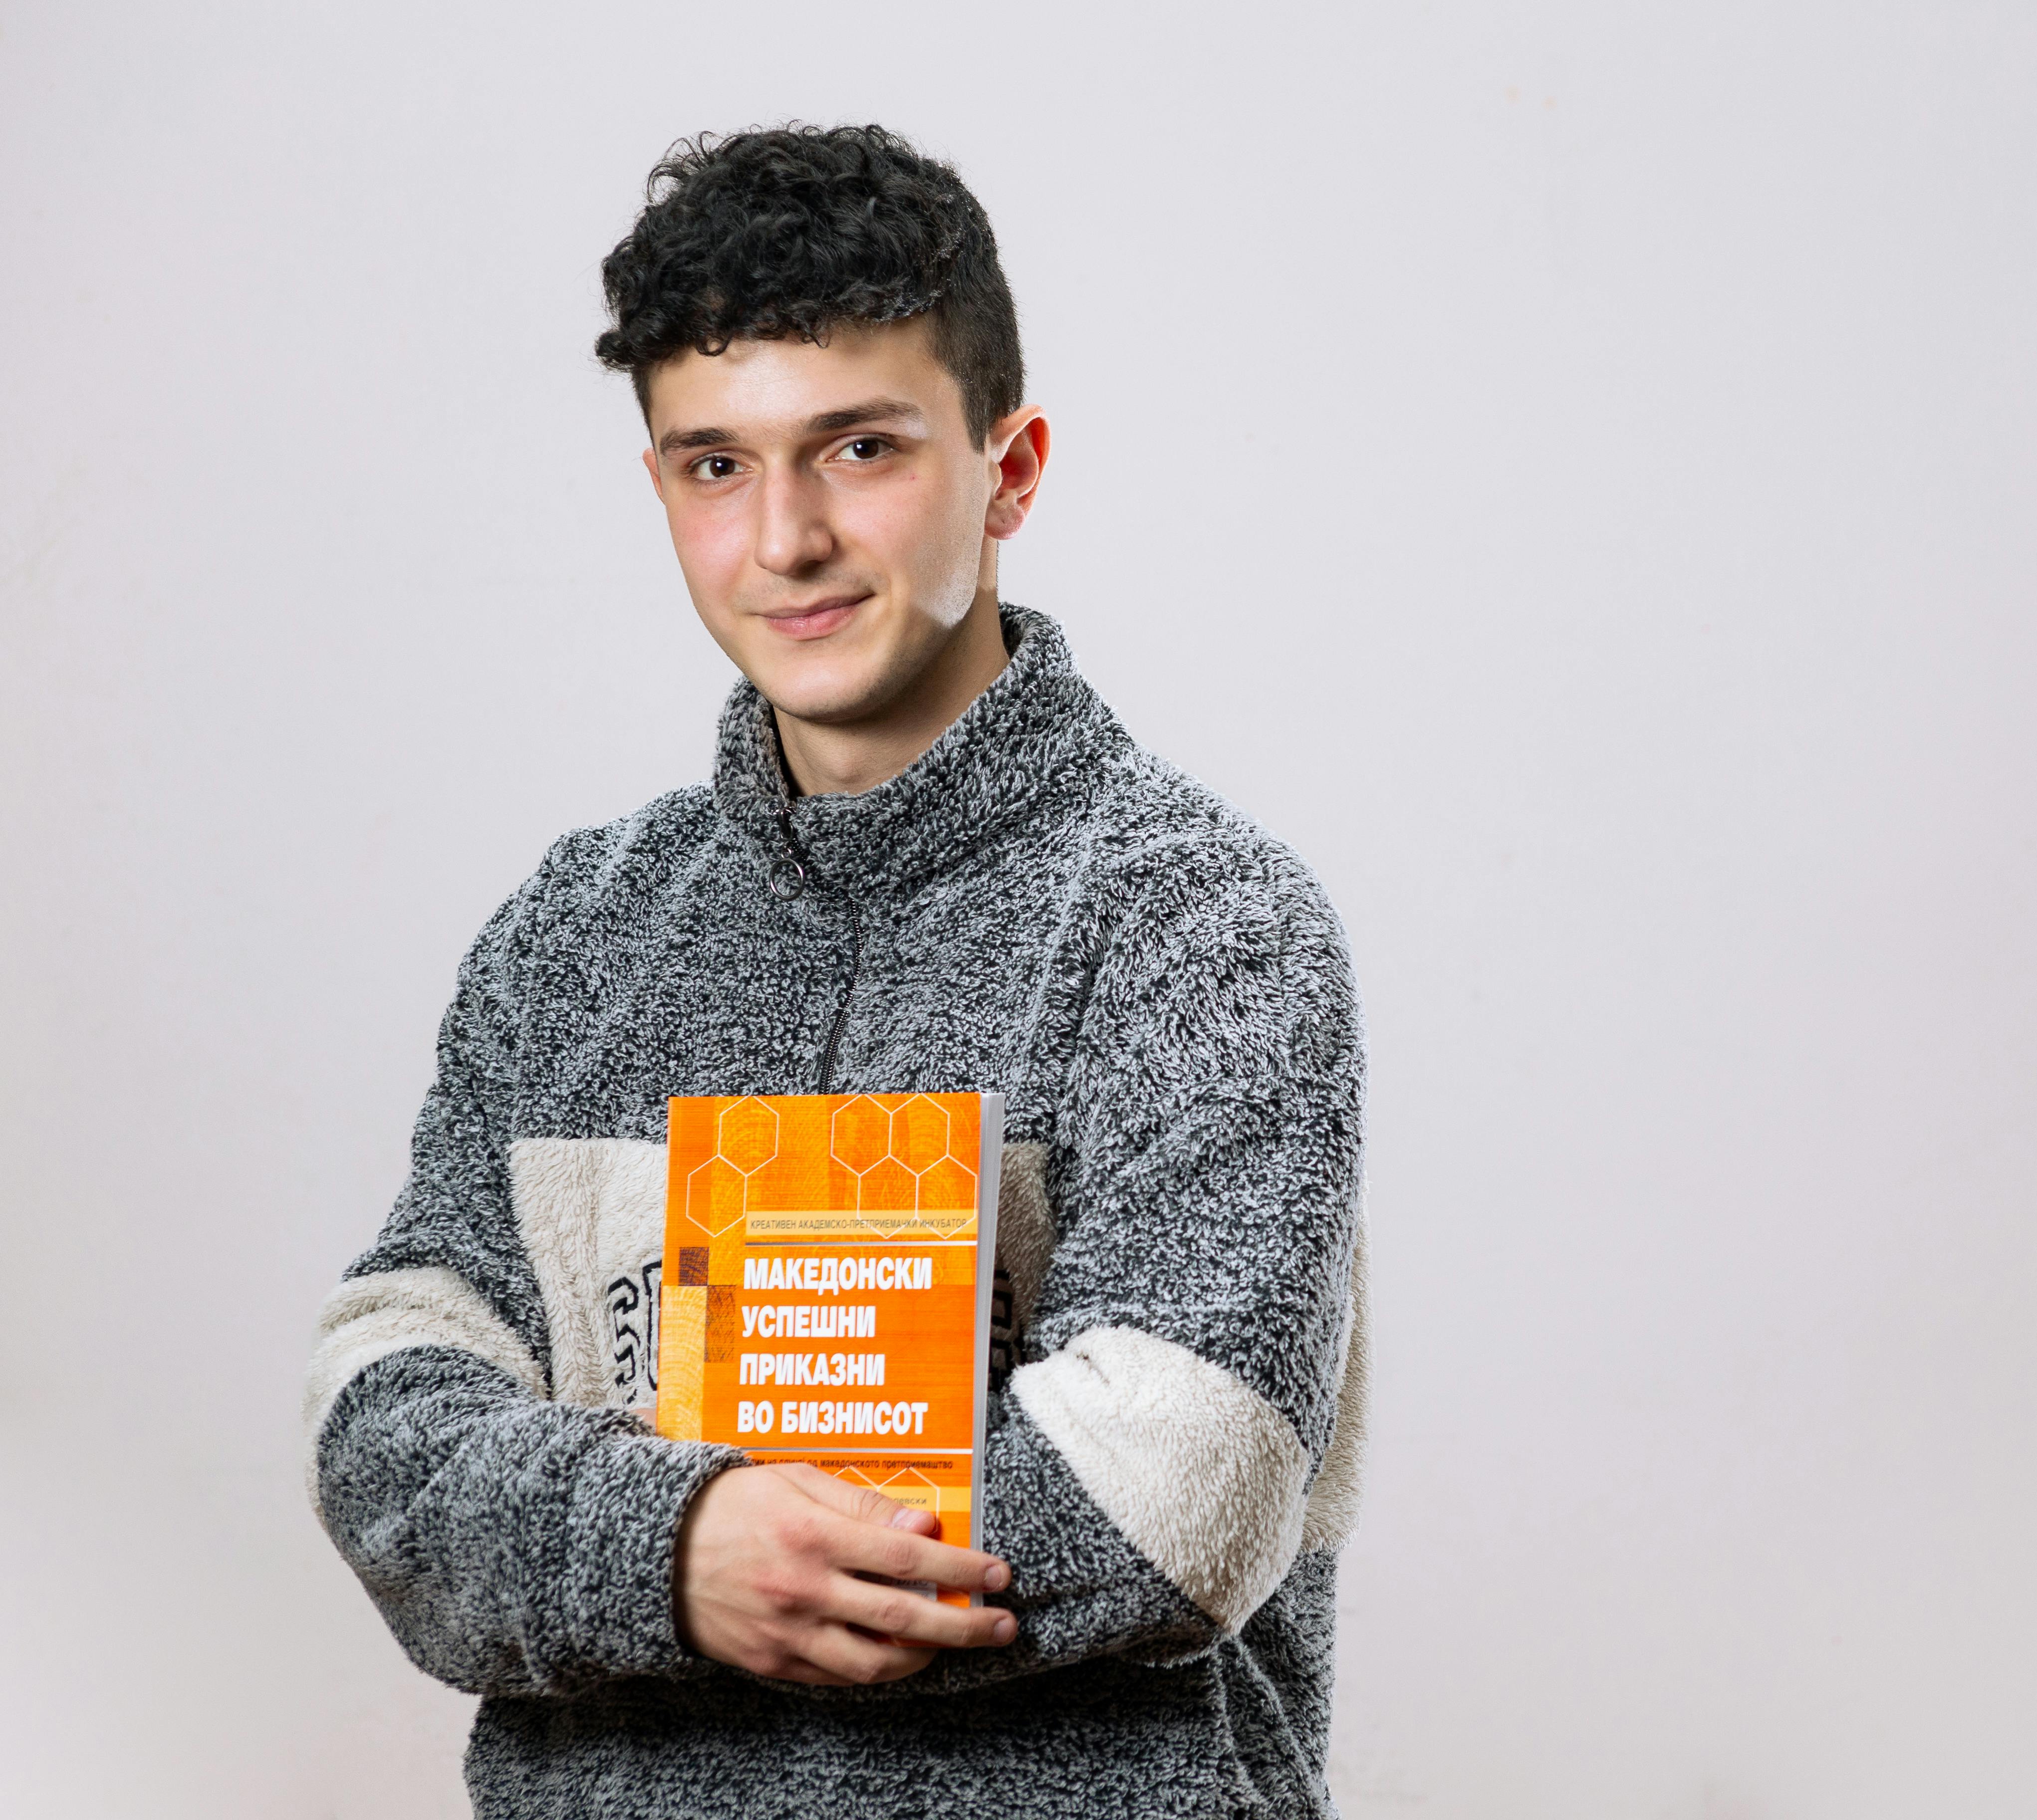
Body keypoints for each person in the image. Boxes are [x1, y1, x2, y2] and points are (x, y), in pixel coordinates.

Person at [303, 123, 1370, 1818]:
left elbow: (1174, 1501)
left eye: (858, 448)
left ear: (1009, 470)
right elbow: (384, 1415)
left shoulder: (1202, 926)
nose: (783, 538)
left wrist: (692, 1546)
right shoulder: (573, 933)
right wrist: (672, 1548)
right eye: (715, 466)